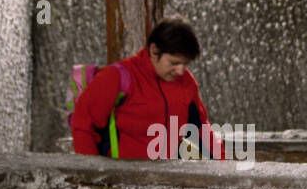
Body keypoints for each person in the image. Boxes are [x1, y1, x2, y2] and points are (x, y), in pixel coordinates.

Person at [71, 15, 218, 160]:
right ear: (154, 50)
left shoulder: (186, 82)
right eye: (174, 63)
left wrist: (224, 167)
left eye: (185, 64)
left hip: (168, 178)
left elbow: (201, 130)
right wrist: (93, 176)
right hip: (121, 178)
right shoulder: (116, 77)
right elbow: (83, 127)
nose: (180, 71)